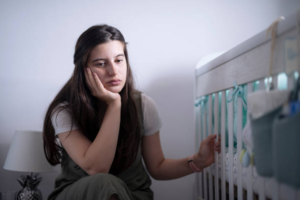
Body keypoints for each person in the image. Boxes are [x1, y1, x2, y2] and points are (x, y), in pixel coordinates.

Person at [43, 24, 221, 200]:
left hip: (132, 195)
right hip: (78, 194)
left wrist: (197, 161)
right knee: (103, 182)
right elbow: (96, 168)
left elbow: (157, 166)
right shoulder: (64, 110)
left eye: (119, 60)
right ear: (84, 70)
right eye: (101, 63)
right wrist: (114, 105)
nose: (113, 71)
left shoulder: (142, 105)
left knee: (108, 184)